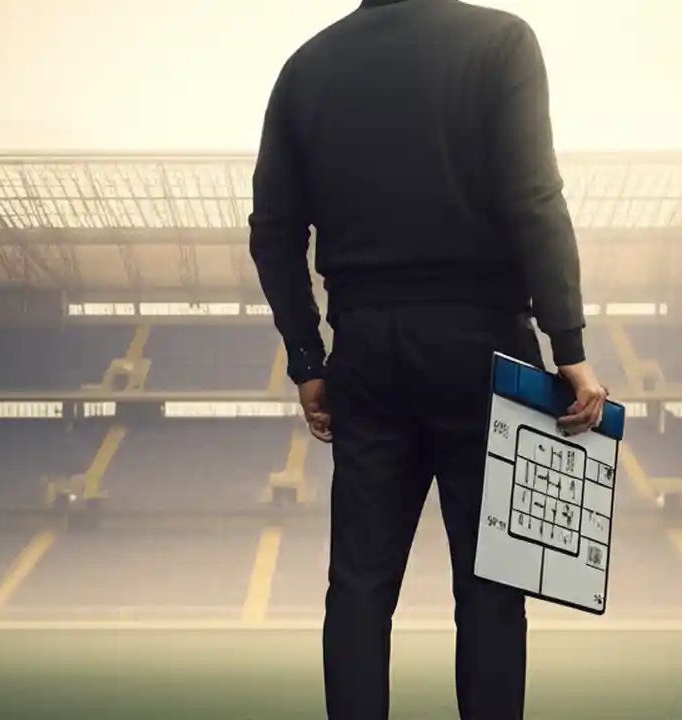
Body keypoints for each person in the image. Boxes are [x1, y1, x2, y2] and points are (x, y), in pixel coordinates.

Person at [248, 1, 607, 718]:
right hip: (487, 347)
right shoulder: (502, 41)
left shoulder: (306, 67)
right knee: (493, 590)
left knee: (358, 588)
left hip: (366, 348)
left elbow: (273, 229)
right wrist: (568, 345)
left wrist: (308, 359)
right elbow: (535, 199)